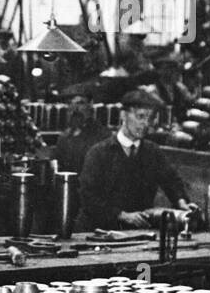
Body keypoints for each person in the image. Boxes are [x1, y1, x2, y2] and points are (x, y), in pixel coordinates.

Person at [77, 89, 195, 231]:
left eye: (150, 118)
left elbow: (171, 181)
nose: (146, 123)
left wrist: (181, 202)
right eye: (140, 116)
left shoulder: (153, 152)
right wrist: (121, 215)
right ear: (123, 115)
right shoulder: (98, 153)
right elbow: (88, 197)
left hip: (137, 232)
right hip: (98, 232)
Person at [53, 82, 109, 174]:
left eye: (80, 103)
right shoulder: (64, 137)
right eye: (70, 103)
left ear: (90, 104)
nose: (75, 109)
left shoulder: (102, 137)